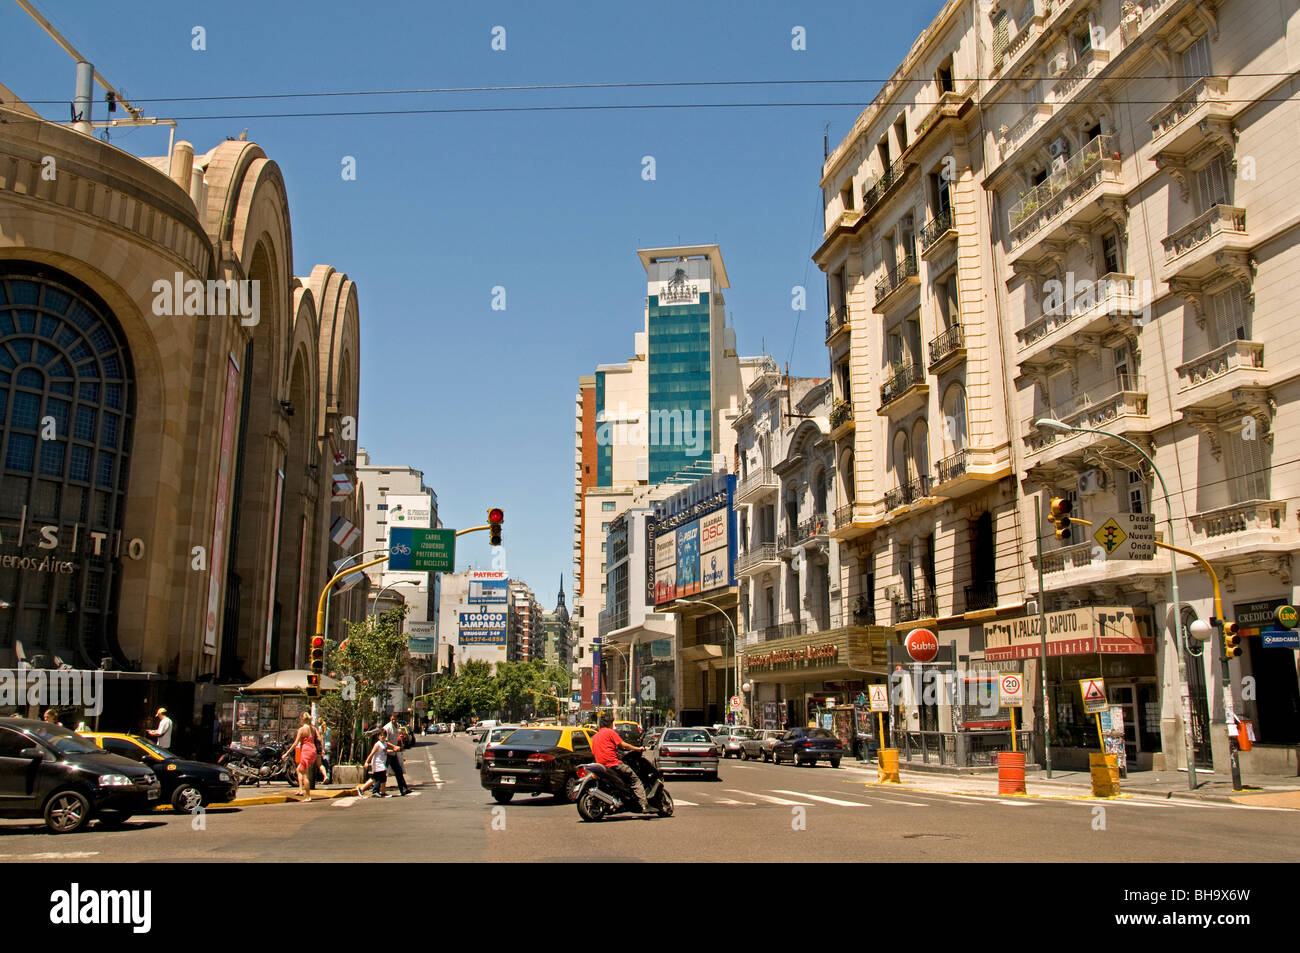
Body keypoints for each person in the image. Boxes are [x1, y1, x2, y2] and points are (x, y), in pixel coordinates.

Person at [591, 712, 648, 812]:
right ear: (609, 723)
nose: (613, 725)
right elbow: (623, 744)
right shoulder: (610, 732)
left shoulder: (595, 736)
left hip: (600, 765)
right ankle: (644, 804)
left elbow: (594, 751)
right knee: (635, 779)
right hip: (613, 764)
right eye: (612, 723)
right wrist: (637, 749)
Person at [289, 712, 321, 800]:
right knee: (299, 770)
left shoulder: (301, 730)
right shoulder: (313, 729)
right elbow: (319, 738)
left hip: (305, 752)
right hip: (313, 751)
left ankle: (308, 796)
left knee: (305, 775)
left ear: (302, 720)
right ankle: (300, 789)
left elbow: (295, 743)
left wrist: (287, 753)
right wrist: (322, 750)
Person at [356, 730, 395, 798]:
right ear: (378, 737)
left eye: (384, 735)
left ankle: (362, 789)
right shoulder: (377, 744)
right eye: (381, 735)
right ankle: (375, 791)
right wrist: (366, 762)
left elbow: (384, 751)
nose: (382, 737)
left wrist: (392, 751)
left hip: (382, 763)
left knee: (377, 778)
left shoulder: (384, 743)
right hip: (377, 763)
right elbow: (371, 754)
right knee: (379, 777)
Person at [382, 713, 411, 795]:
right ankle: (376, 789)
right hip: (387, 753)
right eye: (392, 719)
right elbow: (385, 741)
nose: (394, 720)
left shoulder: (397, 726)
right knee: (382, 772)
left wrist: (400, 745)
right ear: (390, 718)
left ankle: (404, 789)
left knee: (398, 771)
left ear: (397, 719)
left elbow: (398, 737)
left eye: (395, 719)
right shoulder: (387, 728)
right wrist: (394, 746)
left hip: (393, 753)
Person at [318, 718, 333, 785]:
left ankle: (325, 777)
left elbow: (321, 739)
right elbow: (330, 738)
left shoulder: (319, 728)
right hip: (328, 746)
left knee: (321, 764)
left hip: (323, 747)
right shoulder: (329, 730)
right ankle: (328, 778)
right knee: (327, 764)